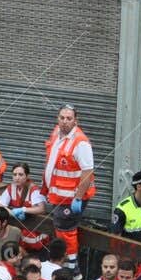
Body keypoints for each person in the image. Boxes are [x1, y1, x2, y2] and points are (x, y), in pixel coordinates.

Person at [43, 106, 95, 262]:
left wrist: (78, 198)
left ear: (75, 121)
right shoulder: (56, 134)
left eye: (69, 118)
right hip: (59, 196)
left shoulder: (80, 143)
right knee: (60, 229)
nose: (65, 121)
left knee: (66, 231)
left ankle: (71, 266)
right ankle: (70, 266)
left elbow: (87, 171)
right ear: (57, 119)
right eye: (62, 117)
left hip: (71, 198)